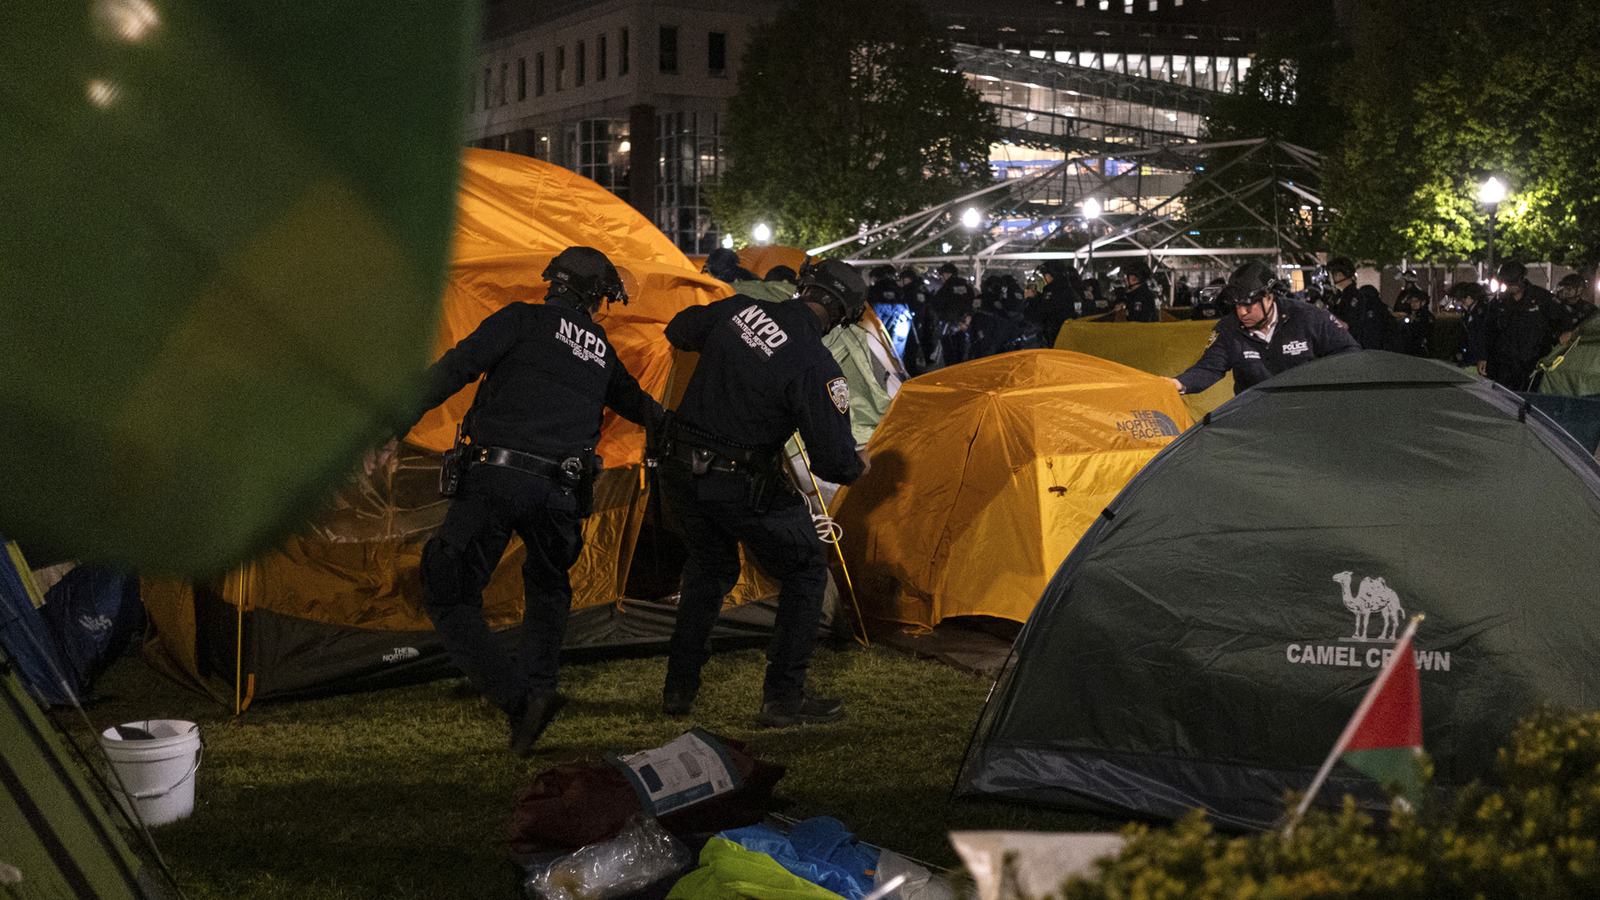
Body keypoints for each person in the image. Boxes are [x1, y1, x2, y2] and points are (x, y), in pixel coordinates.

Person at [398, 246, 663, 758]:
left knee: (449, 591)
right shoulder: (600, 348)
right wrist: (681, 428)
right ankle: (539, 688)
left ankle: (520, 702)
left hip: (497, 478)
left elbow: (455, 368)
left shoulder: (520, 320)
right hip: (561, 492)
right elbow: (636, 403)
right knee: (548, 589)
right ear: (591, 297)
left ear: (554, 284)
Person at [657, 259, 869, 727]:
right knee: (806, 571)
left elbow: (679, 330)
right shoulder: (818, 365)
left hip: (678, 470)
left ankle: (679, 688)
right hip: (739, 482)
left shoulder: (738, 309)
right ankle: (783, 698)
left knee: (710, 568)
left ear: (802, 287)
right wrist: (860, 464)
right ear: (842, 315)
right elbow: (833, 461)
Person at [1170, 261, 1360, 396]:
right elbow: (1208, 368)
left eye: (1248, 305)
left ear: (1269, 297)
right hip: (1254, 417)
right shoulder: (1229, 328)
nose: (1242, 312)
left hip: (1307, 413)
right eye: (1237, 306)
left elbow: (1350, 352)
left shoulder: (1308, 317)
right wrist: (1177, 384)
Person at [1482, 260, 1558, 390]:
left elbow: (1560, 321)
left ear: (1522, 279)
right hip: (1505, 366)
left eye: (1513, 283)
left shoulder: (1541, 298)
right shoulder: (1499, 302)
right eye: (1507, 283)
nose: (1510, 287)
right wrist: (1483, 357)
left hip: (1534, 365)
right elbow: (1488, 331)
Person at [1326, 256, 1398, 351]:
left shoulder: (1352, 296)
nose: (1329, 278)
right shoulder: (1343, 295)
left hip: (1352, 348)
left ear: (1339, 275)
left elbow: (1349, 324)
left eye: (1331, 275)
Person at [1028, 259, 1084, 349]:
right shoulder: (1071, 291)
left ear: (1048, 276)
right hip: (1072, 338)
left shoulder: (1051, 291)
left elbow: (1040, 314)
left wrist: (1029, 299)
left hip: (1055, 340)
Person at [930, 262, 975, 365]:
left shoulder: (946, 288)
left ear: (946, 275)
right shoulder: (967, 287)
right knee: (961, 351)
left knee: (949, 353)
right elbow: (972, 303)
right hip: (964, 325)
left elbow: (936, 305)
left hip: (949, 325)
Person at [1445, 281, 1489, 369]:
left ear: (1469, 298)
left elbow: (1479, 338)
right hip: (1471, 360)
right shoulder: (1469, 314)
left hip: (1477, 362)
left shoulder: (1481, 315)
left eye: (1460, 300)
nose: (1459, 304)